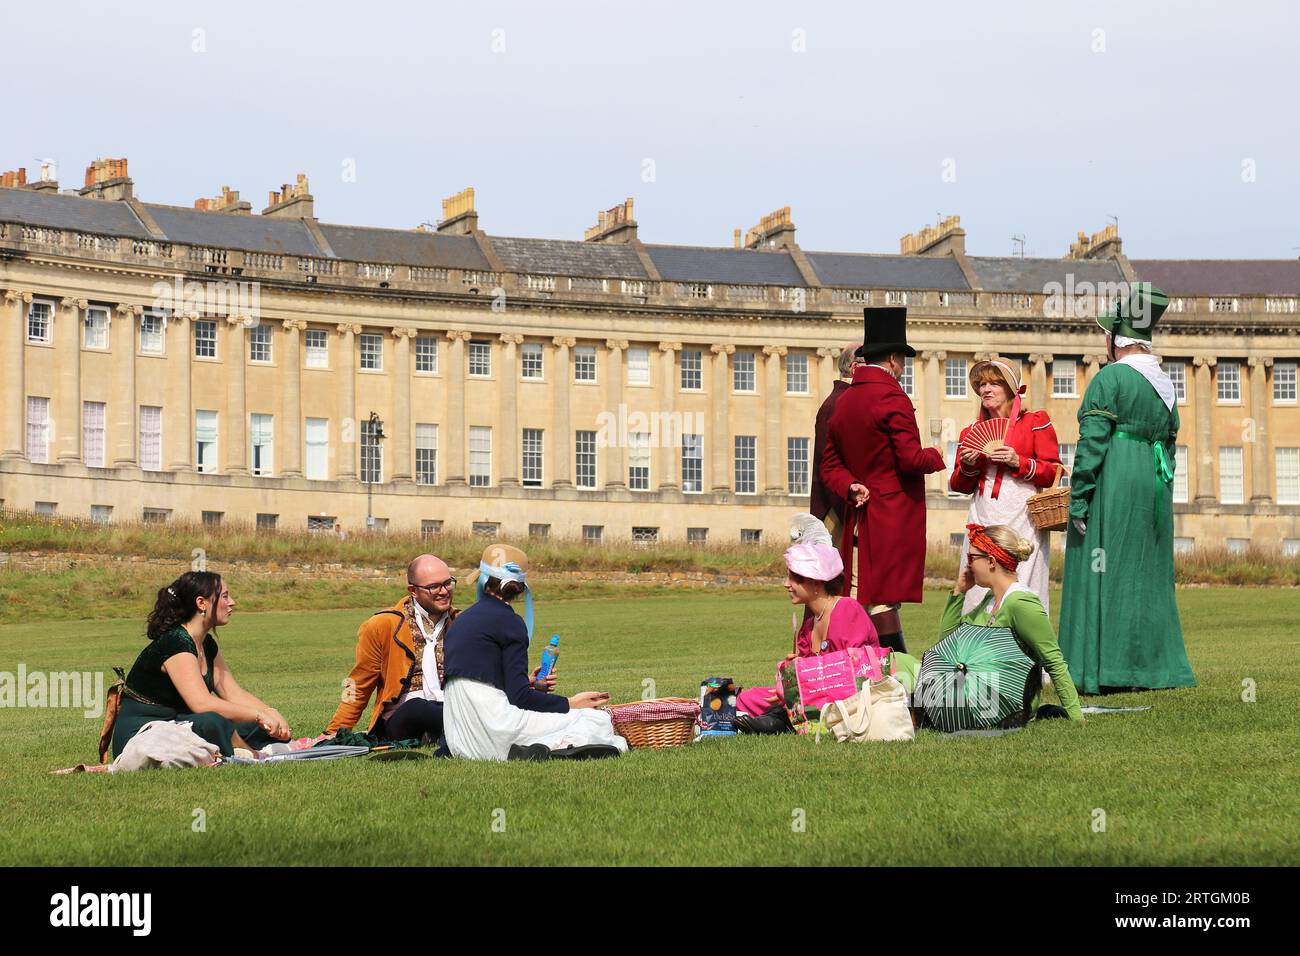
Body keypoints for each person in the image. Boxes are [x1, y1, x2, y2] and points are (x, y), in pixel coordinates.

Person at [1059, 284, 1195, 694]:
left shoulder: (1110, 378)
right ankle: (1150, 669)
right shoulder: (1165, 387)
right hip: (1153, 487)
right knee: (1145, 574)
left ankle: (1104, 670)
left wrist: (1078, 499)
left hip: (1114, 480)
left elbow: (1092, 443)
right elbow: (1168, 448)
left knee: (1103, 566)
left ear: (1116, 339)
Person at [821, 307, 947, 653]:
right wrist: (937, 455)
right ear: (893, 359)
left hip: (860, 519)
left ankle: (862, 670)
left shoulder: (845, 402)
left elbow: (829, 465)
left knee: (862, 597)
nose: (902, 368)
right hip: (892, 517)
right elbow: (910, 459)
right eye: (902, 360)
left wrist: (850, 484)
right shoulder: (893, 398)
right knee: (884, 600)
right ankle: (901, 672)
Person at [442, 544, 626, 760]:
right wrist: (571, 703)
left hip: (461, 740)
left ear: (482, 581)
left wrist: (527, 683)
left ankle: (539, 747)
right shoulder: (511, 622)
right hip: (496, 729)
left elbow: (478, 679)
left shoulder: (460, 620)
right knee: (596, 719)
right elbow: (519, 698)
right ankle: (554, 746)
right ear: (520, 588)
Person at [111, 571, 290, 759]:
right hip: (144, 733)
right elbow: (201, 704)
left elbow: (232, 693)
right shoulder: (176, 642)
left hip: (179, 723)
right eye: (225, 596)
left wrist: (269, 713)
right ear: (201, 603)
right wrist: (258, 715)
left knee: (254, 727)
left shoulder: (207, 644)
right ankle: (252, 755)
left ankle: (238, 748)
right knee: (214, 721)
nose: (232, 602)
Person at [325, 553, 477, 742]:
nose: (444, 591)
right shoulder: (381, 625)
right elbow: (358, 683)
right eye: (433, 586)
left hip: (450, 706)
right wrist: (334, 731)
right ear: (413, 590)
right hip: (400, 720)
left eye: (448, 583)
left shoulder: (463, 623)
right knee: (418, 708)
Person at [950, 359, 1062, 613]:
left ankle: (1022, 647)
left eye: (994, 383)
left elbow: (1052, 471)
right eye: (981, 384)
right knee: (980, 584)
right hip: (982, 513)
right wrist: (968, 466)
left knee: (1022, 582)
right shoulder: (971, 432)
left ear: (1011, 388)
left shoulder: (1034, 422)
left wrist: (1019, 461)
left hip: (1023, 515)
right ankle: (978, 645)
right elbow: (959, 484)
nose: (985, 389)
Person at [939, 524, 1083, 721]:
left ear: (991, 561)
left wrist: (1077, 719)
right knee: (906, 667)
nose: (968, 565)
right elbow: (947, 643)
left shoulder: (1021, 603)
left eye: (972, 558)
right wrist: (959, 591)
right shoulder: (990, 600)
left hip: (1009, 706)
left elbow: (1054, 662)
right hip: (980, 695)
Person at [735, 542, 880, 733]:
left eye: (794, 578)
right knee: (750, 697)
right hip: (816, 696)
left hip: (848, 699)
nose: (786, 584)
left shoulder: (847, 609)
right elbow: (811, 673)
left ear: (817, 582)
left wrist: (804, 678)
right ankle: (766, 715)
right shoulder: (810, 625)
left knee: (783, 704)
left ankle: (775, 720)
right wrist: (796, 671)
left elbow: (853, 674)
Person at [810, 341, 863, 537]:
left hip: (847, 506)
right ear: (854, 367)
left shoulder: (845, 400)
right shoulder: (839, 403)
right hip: (838, 510)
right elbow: (830, 465)